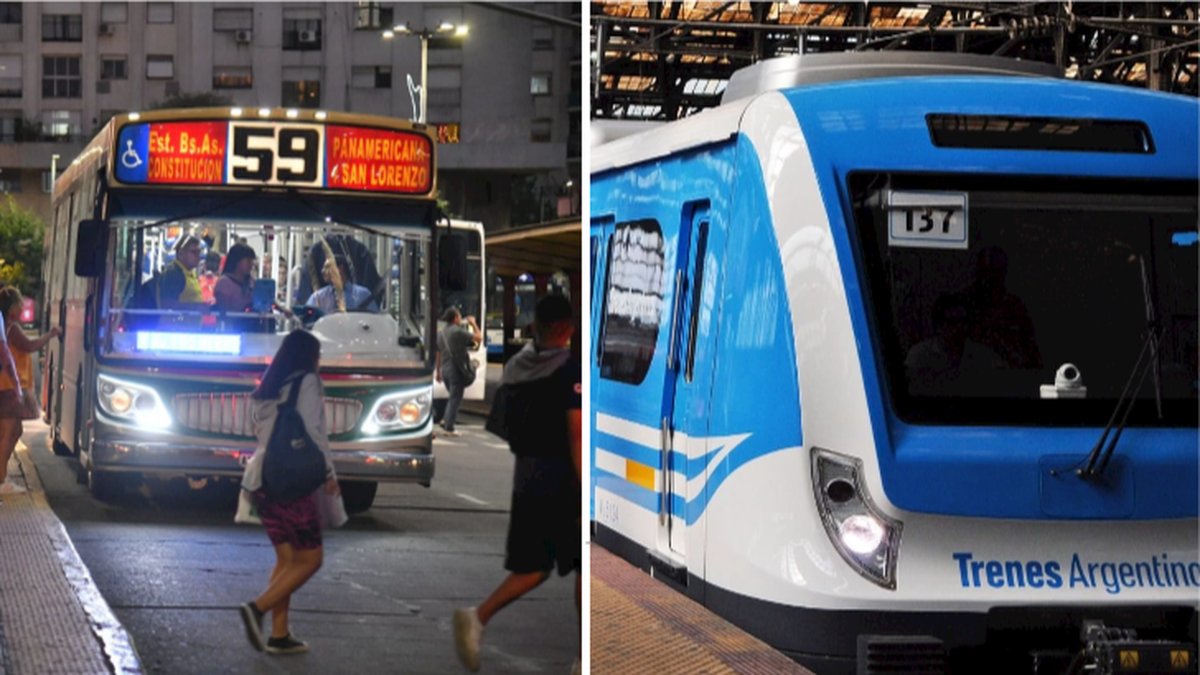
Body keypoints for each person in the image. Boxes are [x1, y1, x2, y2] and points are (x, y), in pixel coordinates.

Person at [453, 294, 581, 675]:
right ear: (566, 328)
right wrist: (583, 491)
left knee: (535, 566)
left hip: (526, 477)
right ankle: (583, 659)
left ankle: (478, 617)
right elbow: (575, 433)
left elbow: (504, 426)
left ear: (535, 327)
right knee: (579, 566)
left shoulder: (517, 366)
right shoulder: (568, 370)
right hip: (561, 482)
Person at [238, 329, 339, 656]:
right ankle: (257, 608)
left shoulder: (269, 385)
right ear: (308, 356)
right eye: (318, 355)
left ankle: (279, 634)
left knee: (287, 558)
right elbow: (313, 432)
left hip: (263, 479)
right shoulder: (307, 382)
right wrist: (328, 473)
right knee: (311, 558)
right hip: (290, 482)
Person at [963, 245, 1042, 369]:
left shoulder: (1015, 307)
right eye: (986, 271)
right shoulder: (966, 305)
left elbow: (1032, 356)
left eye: (996, 271)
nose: (990, 277)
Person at [0, 286, 28, 496]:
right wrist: (16, 382)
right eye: (20, 303)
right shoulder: (7, 325)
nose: (23, 307)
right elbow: (5, 352)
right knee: (9, 432)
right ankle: (1, 480)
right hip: (5, 385)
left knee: (13, 430)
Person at [436, 307, 480, 437]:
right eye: (459, 316)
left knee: (453, 397)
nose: (461, 319)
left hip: (445, 370)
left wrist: (438, 371)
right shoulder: (458, 332)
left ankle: (445, 420)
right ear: (455, 318)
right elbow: (479, 338)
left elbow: (437, 353)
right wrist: (473, 323)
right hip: (456, 370)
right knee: (455, 398)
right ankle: (449, 428)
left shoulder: (440, 333)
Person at [305, 255, 377, 314]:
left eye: (327, 267)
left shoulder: (363, 295)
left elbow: (374, 321)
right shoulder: (318, 298)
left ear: (340, 269)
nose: (322, 271)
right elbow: (306, 318)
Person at [158, 235, 206, 311]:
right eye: (194, 252)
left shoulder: (190, 273)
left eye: (199, 252)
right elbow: (166, 304)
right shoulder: (174, 273)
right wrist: (194, 307)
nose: (198, 256)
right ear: (181, 254)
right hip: (173, 322)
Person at [214, 243, 257, 313]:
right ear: (237, 261)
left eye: (252, 261)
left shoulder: (252, 282)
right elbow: (225, 311)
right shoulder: (224, 283)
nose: (251, 264)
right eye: (248, 260)